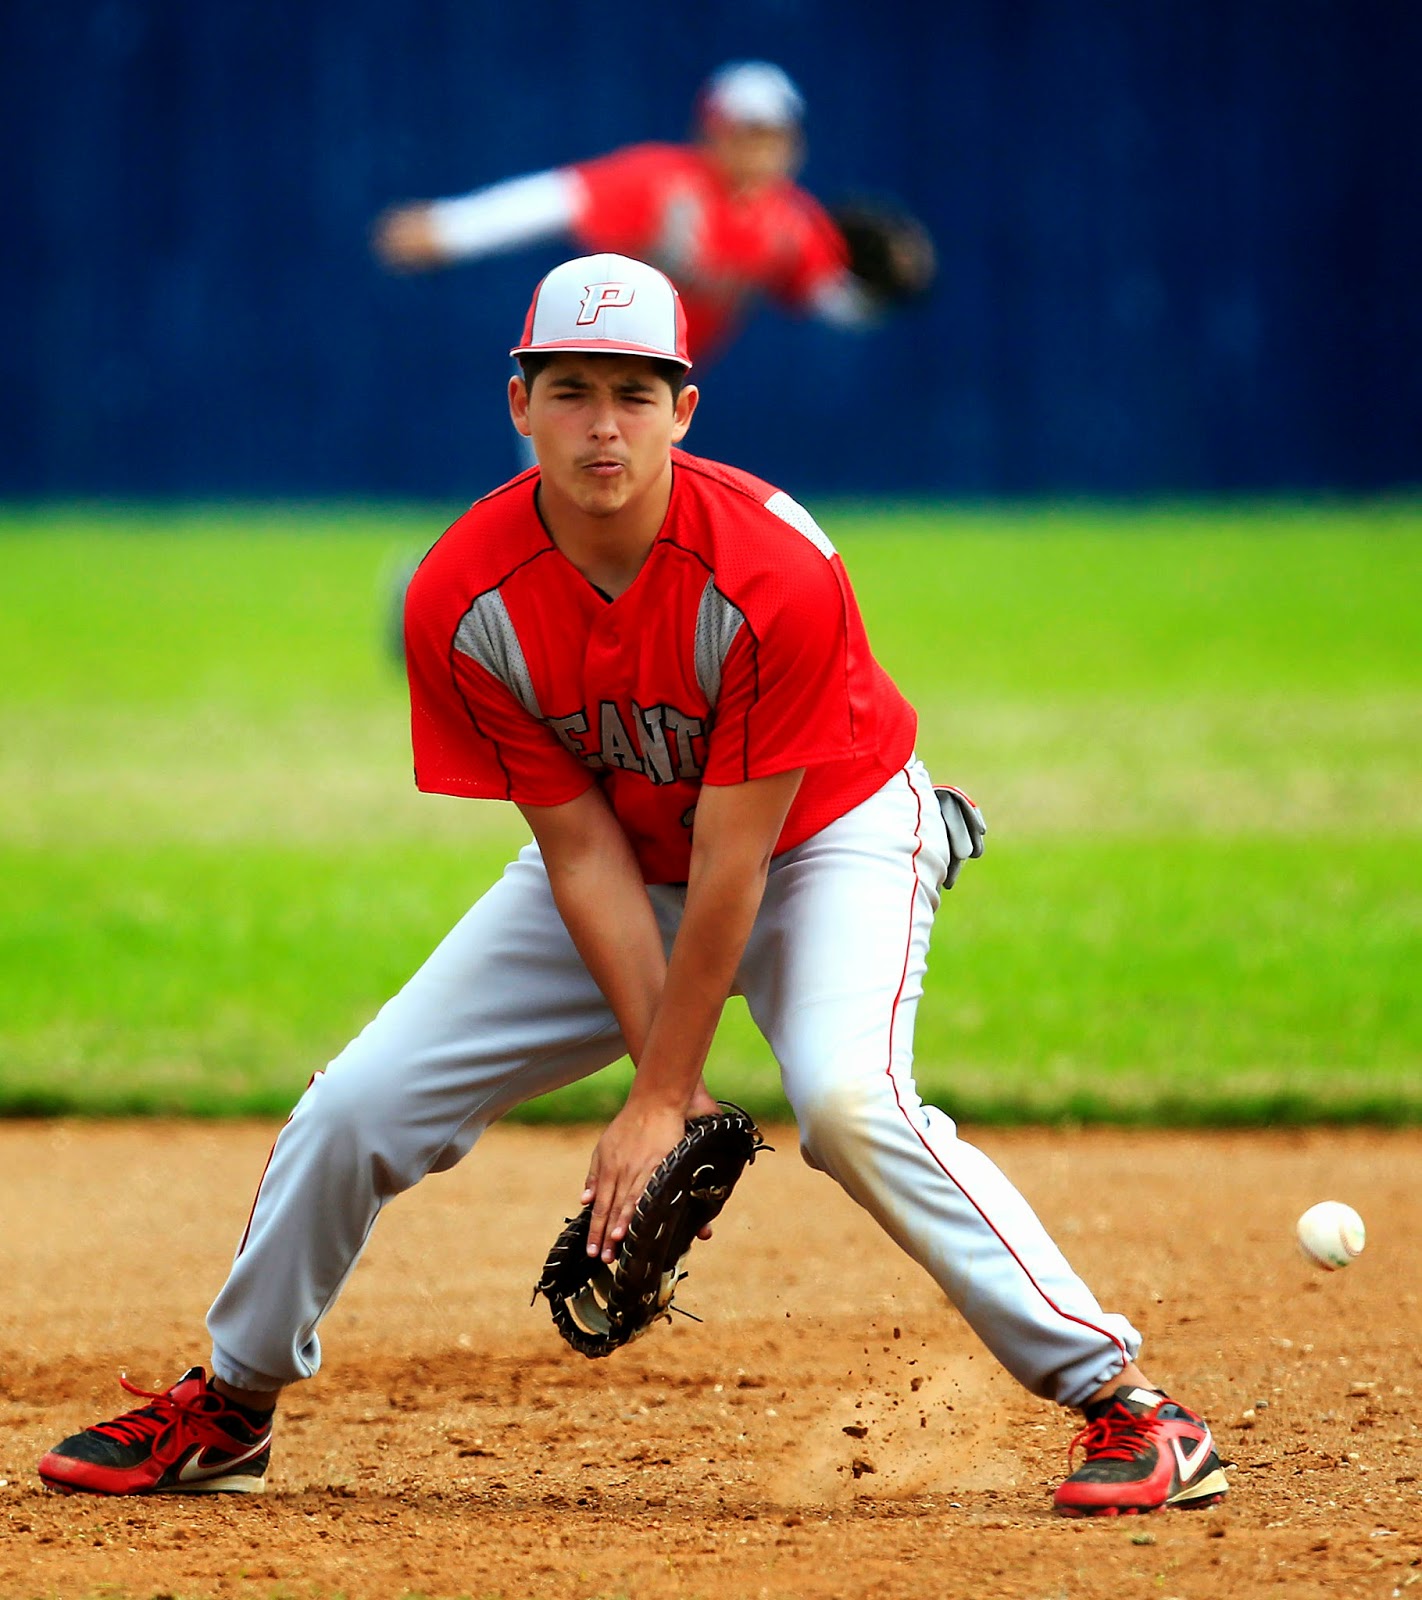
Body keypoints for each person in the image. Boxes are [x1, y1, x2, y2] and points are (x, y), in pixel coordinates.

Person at [38, 254, 1228, 1519]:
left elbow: (736, 859)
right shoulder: (462, 596)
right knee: (357, 1107)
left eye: (634, 392)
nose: (602, 424)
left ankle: (1131, 1405)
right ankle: (232, 1405)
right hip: (630, 848)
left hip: (827, 837)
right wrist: (674, 1084)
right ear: (520, 404)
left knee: (847, 1104)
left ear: (683, 410)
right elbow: (582, 853)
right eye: (571, 390)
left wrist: (663, 1095)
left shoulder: (775, 570)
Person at [371, 60, 933, 365]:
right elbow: (556, 198)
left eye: (774, 136)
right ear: (712, 131)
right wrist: (451, 230)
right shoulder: (665, 183)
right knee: (593, 511)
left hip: (662, 376)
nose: (761, 149)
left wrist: (889, 291)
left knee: (610, 519)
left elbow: (827, 296)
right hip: (590, 358)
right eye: (748, 132)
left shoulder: (791, 221)